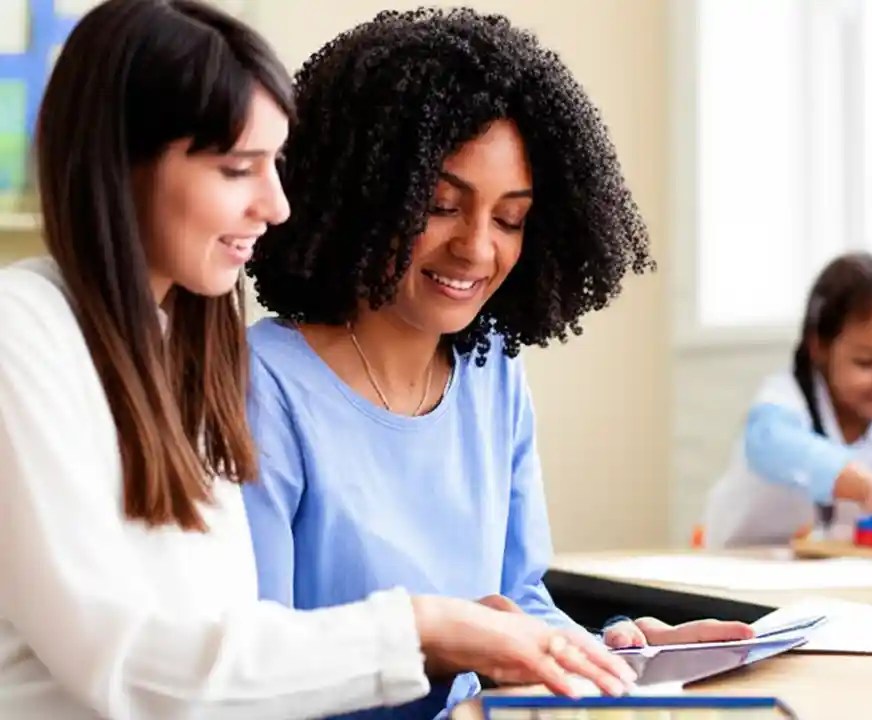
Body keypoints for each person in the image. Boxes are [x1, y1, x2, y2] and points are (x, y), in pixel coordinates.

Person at [0, 2, 635, 718]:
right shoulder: (22, 334)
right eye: (240, 168)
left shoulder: (183, 345)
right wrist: (423, 631)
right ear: (121, 163)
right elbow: (130, 661)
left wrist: (613, 656)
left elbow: (233, 648)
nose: (276, 205)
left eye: (275, 166)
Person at [240, 8, 753, 719]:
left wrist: (616, 655)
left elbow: (522, 600)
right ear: (363, 193)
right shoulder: (260, 386)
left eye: (510, 219)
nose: (478, 249)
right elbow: (250, 664)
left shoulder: (493, 372)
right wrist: (437, 646)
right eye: (443, 206)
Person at [701, 252, 872, 549]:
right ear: (819, 347)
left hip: (821, 566)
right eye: (866, 362)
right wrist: (870, 488)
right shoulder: (786, 397)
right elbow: (771, 445)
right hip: (741, 560)